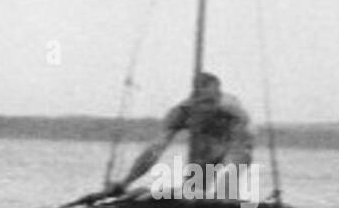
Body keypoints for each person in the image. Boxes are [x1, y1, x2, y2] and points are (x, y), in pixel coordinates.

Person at [108, 71, 254, 197]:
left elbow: (239, 147)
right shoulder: (181, 112)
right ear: (193, 97)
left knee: (225, 187)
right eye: (204, 102)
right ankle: (146, 191)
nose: (210, 107)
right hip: (205, 150)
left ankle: (222, 195)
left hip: (234, 145)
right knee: (192, 189)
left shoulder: (233, 111)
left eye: (213, 101)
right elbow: (154, 150)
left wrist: (224, 187)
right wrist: (125, 183)